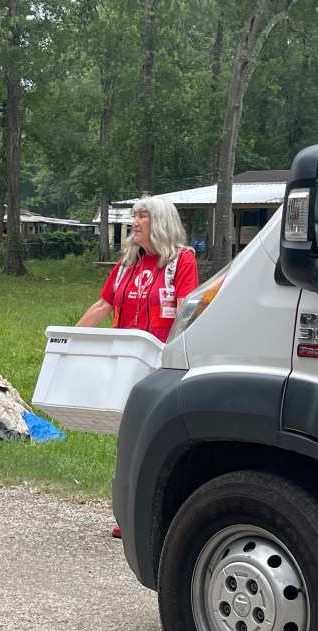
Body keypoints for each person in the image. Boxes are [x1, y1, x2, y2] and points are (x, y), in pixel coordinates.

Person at [76, 194, 200, 537]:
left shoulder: (181, 262)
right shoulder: (127, 264)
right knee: (129, 437)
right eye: (133, 216)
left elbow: (187, 314)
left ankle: (161, 517)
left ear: (159, 221)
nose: (134, 222)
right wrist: (71, 339)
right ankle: (128, 517)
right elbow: (104, 304)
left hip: (162, 365)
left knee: (159, 439)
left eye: (142, 216)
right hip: (125, 364)